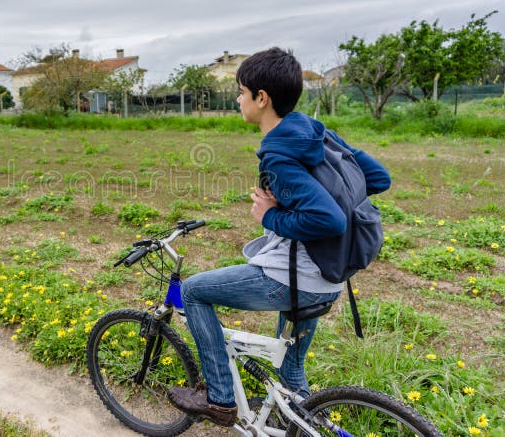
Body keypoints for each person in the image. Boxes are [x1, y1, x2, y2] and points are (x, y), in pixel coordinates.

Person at [167, 47, 391, 427]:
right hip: (328, 280)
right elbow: (378, 178)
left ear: (262, 98)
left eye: (241, 92)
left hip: (294, 279)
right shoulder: (315, 131)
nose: (238, 99)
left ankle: (219, 399)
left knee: (193, 291)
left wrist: (271, 215)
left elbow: (330, 220)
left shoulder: (278, 154)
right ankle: (305, 426)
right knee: (291, 376)